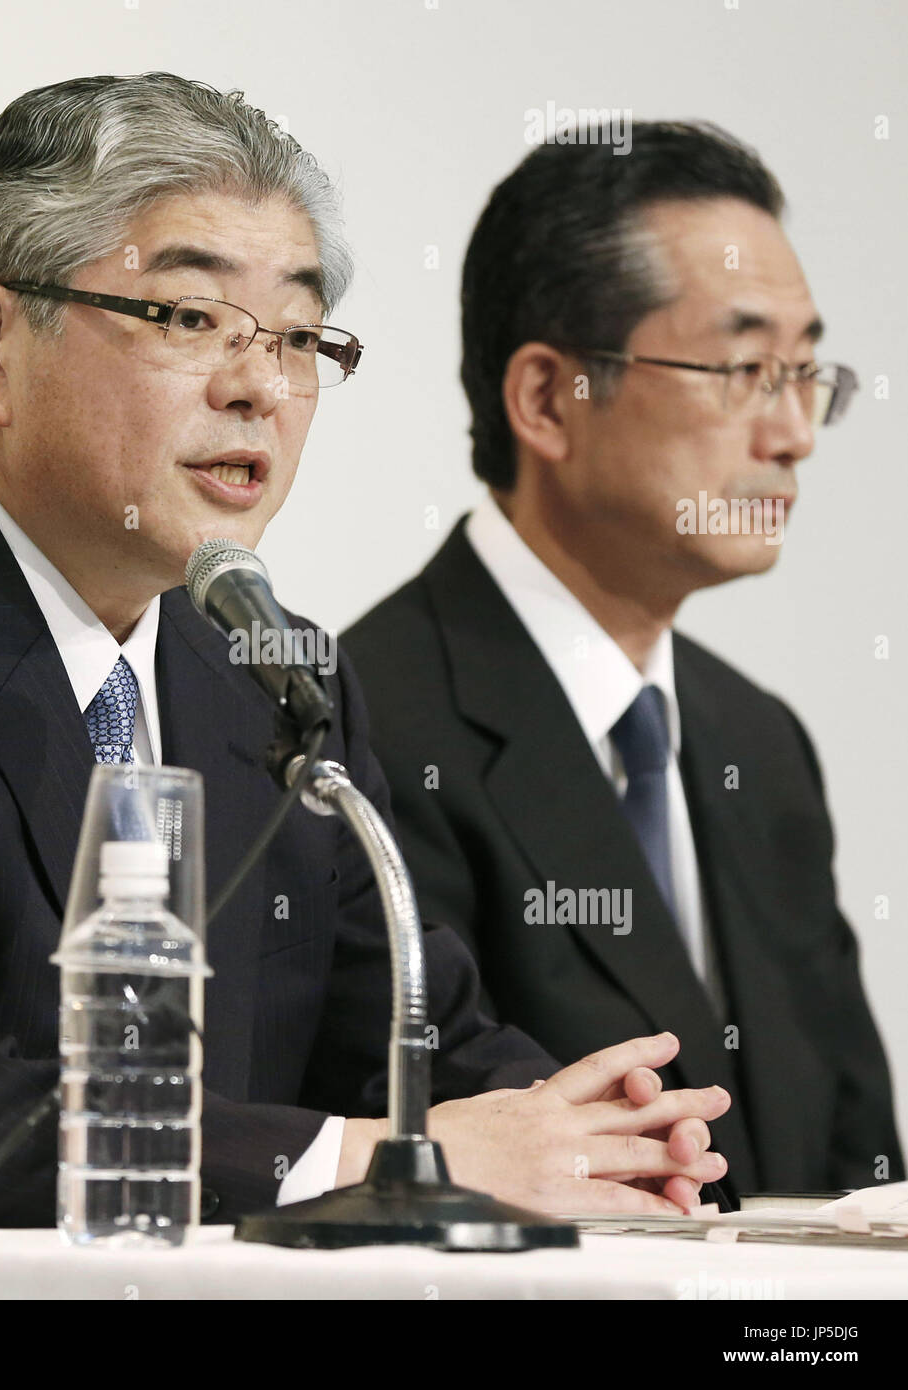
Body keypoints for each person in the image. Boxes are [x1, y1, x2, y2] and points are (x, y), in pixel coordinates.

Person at [0, 77, 729, 1235]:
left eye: (300, 336)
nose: (259, 386)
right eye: (189, 318)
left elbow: (417, 1047)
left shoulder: (269, 675)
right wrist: (378, 1156)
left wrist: (601, 1138)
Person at [342, 121, 902, 1196]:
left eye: (805, 372)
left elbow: (860, 1178)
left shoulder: (758, 743)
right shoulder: (368, 726)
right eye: (742, 369)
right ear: (550, 399)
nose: (794, 434)